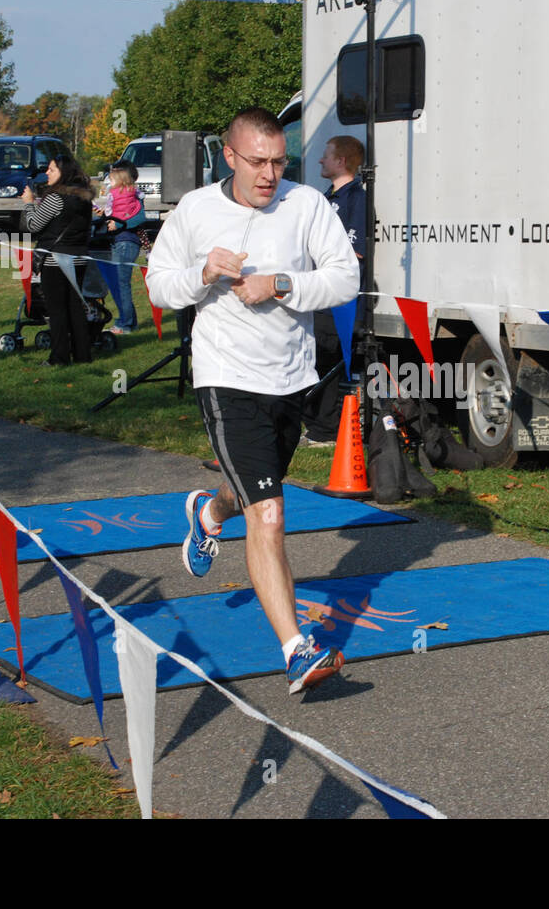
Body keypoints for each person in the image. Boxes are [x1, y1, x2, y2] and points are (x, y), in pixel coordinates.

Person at [146, 106, 359, 694]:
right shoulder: (196, 210)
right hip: (225, 378)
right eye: (257, 161)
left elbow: (344, 279)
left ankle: (208, 513)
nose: (269, 174)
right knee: (269, 511)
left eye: (278, 161)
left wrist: (284, 283)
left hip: (291, 378)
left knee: (249, 492)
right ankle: (296, 649)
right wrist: (201, 273)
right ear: (230, 156)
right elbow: (157, 283)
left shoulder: (306, 205)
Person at [303, 135, 367, 444]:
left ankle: (326, 430)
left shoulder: (357, 199)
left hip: (337, 299)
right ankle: (313, 423)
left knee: (329, 358)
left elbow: (353, 253)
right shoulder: (325, 198)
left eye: (326, 155)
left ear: (341, 161)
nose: (320, 160)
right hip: (316, 294)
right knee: (312, 357)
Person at [22, 156, 95, 365]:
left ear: (63, 172)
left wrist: (28, 204)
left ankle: (60, 356)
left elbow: (33, 225)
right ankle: (83, 355)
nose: (47, 172)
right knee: (76, 307)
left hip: (55, 259)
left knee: (57, 310)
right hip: (79, 257)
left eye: (52, 169)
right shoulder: (84, 197)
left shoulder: (55, 198)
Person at [98, 160, 145, 334]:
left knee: (121, 284)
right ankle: (130, 322)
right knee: (121, 284)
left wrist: (118, 225)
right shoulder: (120, 196)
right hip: (119, 242)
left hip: (127, 242)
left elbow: (140, 218)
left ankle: (124, 324)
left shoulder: (132, 196)